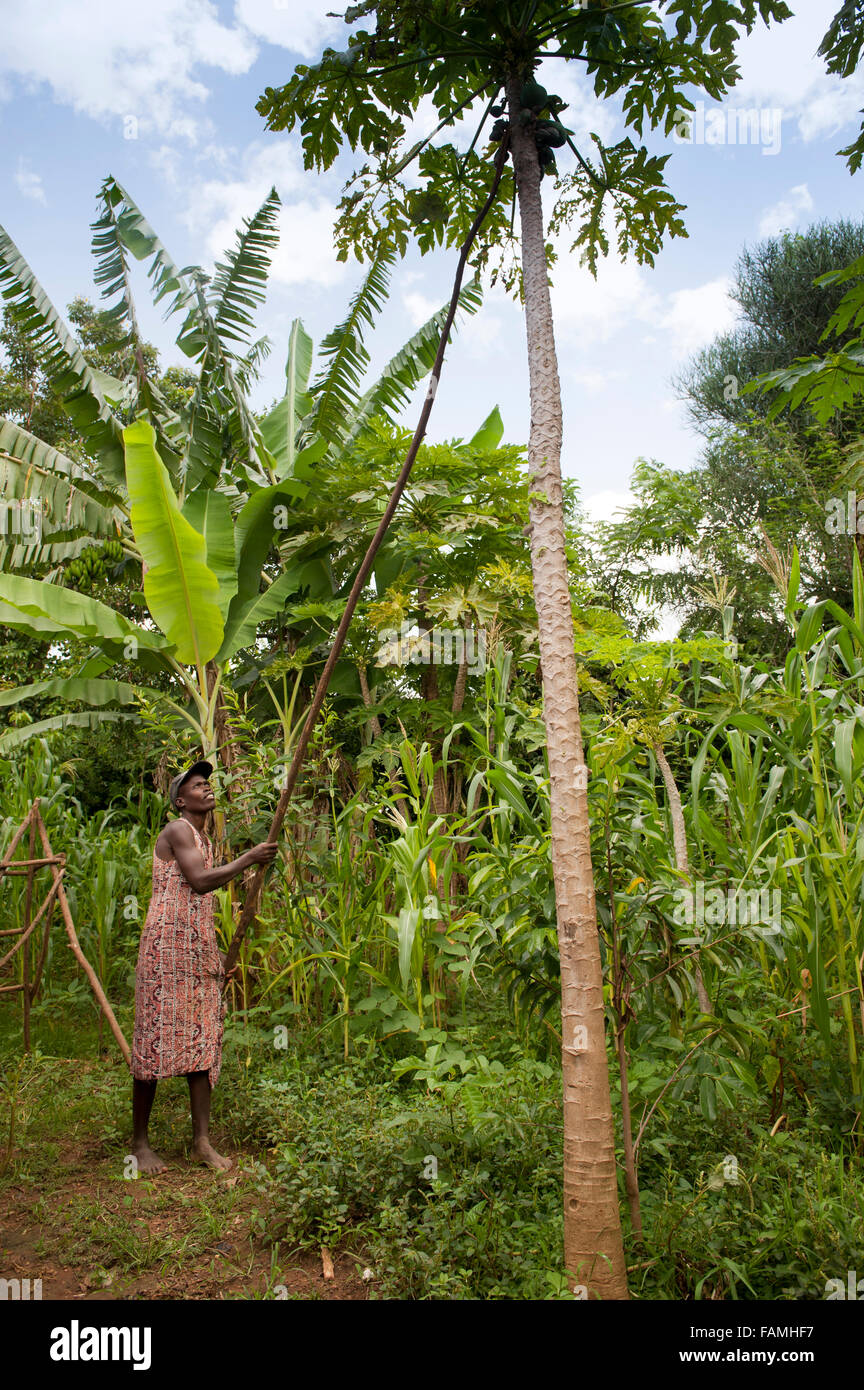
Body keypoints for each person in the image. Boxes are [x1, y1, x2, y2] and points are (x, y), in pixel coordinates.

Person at [130, 760, 278, 1174]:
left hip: (195, 952)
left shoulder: (202, 837)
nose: (208, 788)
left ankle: (201, 1143)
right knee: (153, 1041)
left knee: (202, 1038)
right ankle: (139, 1144)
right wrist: (250, 857)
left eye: (209, 783)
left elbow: (202, 898)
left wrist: (213, 960)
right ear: (180, 800)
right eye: (198, 785)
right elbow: (199, 882)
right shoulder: (178, 829)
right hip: (165, 953)